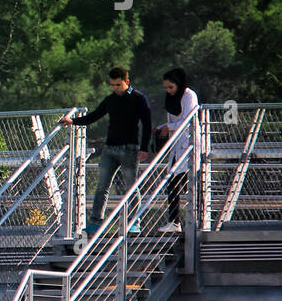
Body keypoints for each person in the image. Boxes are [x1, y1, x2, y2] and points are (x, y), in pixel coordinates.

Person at [59, 67, 152, 233]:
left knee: (130, 186)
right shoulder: (110, 99)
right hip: (110, 149)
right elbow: (94, 116)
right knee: (102, 186)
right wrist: (72, 121)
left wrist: (144, 148)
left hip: (129, 149)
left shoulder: (139, 98)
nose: (115, 88)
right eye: (112, 85)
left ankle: (134, 221)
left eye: (118, 85)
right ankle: (96, 222)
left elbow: (147, 124)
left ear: (127, 82)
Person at [155, 67, 199, 233]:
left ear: (179, 84)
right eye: (166, 88)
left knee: (188, 184)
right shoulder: (171, 98)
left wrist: (169, 127)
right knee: (172, 184)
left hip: (189, 145)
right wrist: (160, 128)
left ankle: (193, 222)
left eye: (171, 87)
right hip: (177, 146)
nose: (168, 91)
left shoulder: (189, 95)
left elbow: (188, 120)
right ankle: (174, 222)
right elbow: (174, 121)